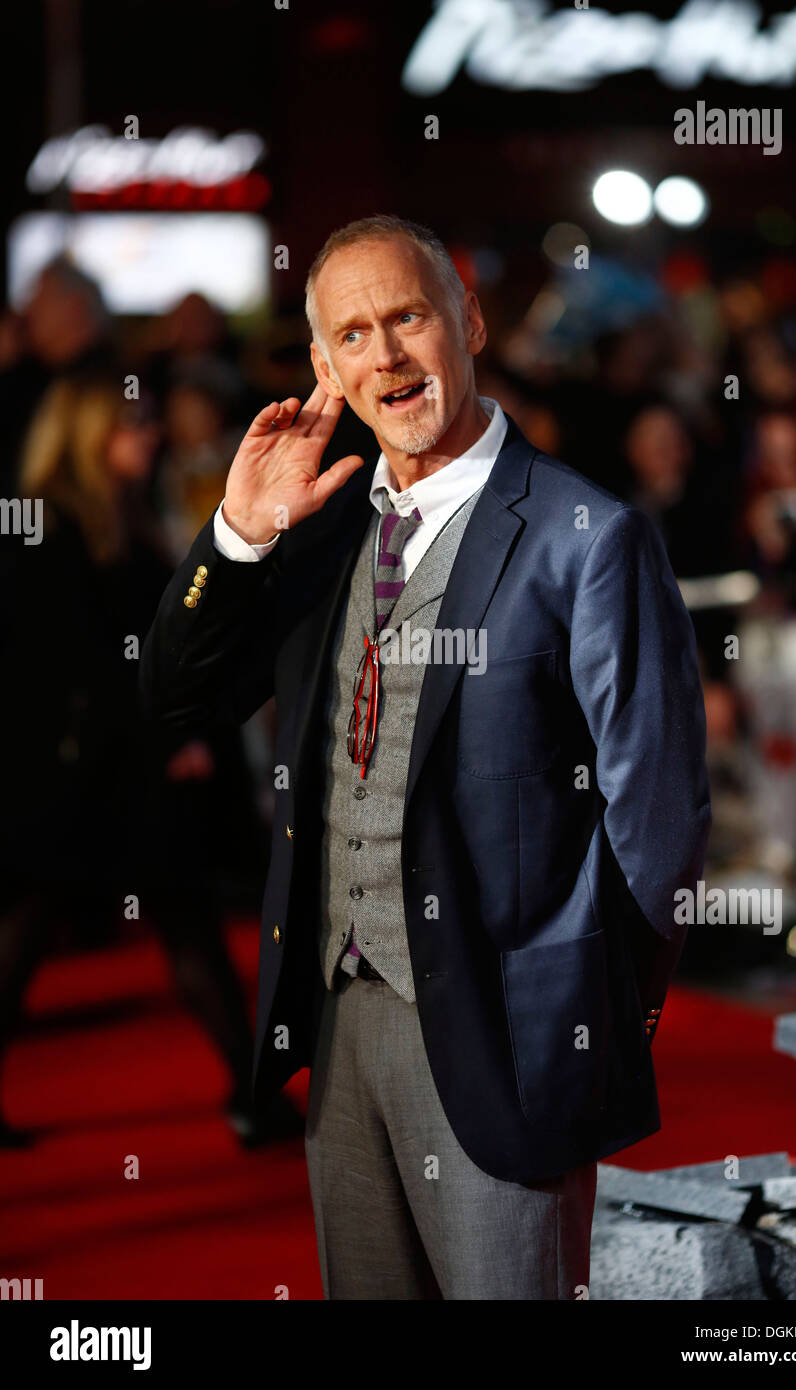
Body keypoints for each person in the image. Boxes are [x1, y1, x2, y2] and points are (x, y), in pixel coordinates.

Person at [140, 214, 710, 1299]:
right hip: (338, 1018)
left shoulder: (584, 538)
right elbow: (173, 701)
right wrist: (238, 533)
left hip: (512, 1041)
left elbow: (660, 820)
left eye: (407, 317)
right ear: (323, 368)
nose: (386, 355)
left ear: (470, 321)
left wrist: (585, 1018)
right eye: (352, 335)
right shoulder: (314, 533)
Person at [0, 380, 300, 1147]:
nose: (150, 429)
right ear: (88, 431)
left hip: (118, 772)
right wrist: (173, 735)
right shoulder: (49, 523)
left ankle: (253, 1095)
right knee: (38, 930)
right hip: (81, 776)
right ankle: (255, 1097)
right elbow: (76, 660)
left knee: (182, 921)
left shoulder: (126, 514)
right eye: (130, 419)